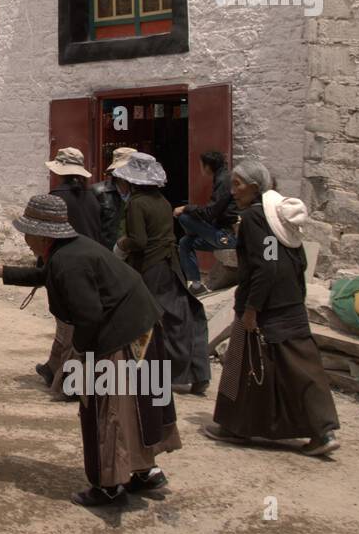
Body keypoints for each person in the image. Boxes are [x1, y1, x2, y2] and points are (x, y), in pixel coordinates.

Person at [0, 195, 181, 507]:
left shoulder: (67, 259)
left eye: (28, 232)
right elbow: (46, 276)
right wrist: (1, 271)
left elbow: (89, 316)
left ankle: (109, 485)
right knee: (140, 405)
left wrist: (82, 361)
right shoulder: (71, 249)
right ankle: (144, 471)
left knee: (107, 410)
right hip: (144, 327)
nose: (25, 238)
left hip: (120, 336)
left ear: (43, 235)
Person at [205, 161, 340, 456]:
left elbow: (265, 266)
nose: (233, 191)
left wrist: (253, 308)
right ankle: (240, 426)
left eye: (238, 184)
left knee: (250, 363)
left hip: (267, 305)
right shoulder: (276, 216)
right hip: (287, 299)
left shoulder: (255, 219)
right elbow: (295, 260)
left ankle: (316, 430)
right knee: (281, 364)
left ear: (255, 187)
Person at [114, 152, 210, 395]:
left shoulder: (137, 204)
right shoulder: (162, 201)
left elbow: (139, 240)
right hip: (171, 264)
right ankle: (198, 372)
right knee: (183, 314)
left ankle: (156, 374)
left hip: (151, 267)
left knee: (152, 319)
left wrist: (121, 245)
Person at [175, 151, 240, 296]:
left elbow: (210, 213)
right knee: (186, 242)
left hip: (227, 236)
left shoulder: (224, 180)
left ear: (208, 166)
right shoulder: (221, 179)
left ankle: (193, 232)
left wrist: (187, 208)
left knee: (184, 218)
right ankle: (196, 285)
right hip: (220, 232)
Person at [91, 146, 135, 249]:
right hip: (107, 252)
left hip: (132, 254)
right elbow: (91, 228)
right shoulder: (98, 192)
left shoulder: (139, 193)